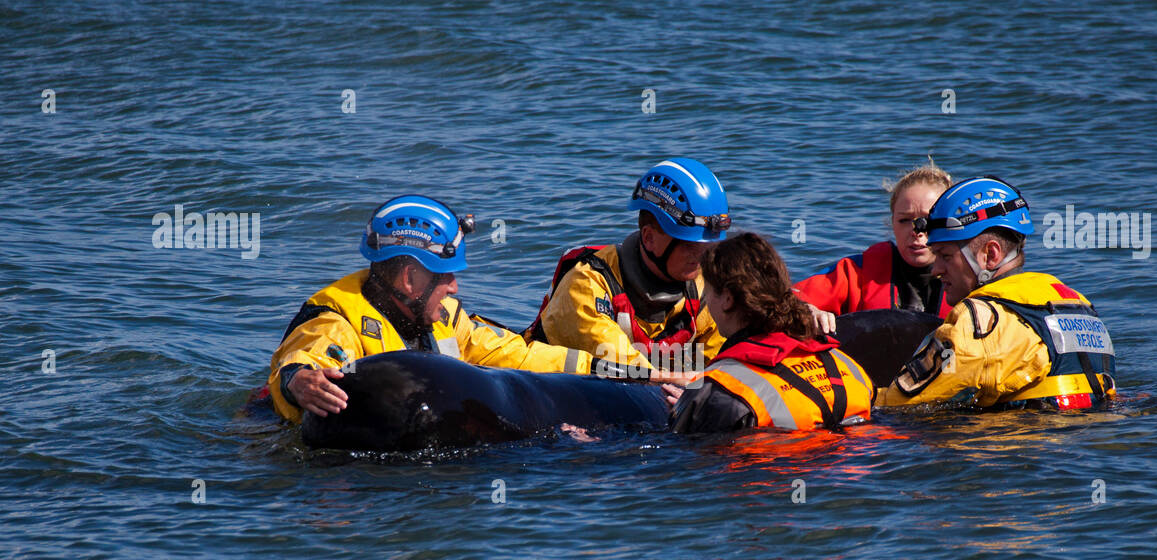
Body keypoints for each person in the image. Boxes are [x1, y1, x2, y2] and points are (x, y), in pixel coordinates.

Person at [268, 194, 595, 423]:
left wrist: (606, 369)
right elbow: (305, 359)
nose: (454, 287)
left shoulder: (447, 320)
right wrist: (297, 382)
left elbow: (519, 355)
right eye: (446, 276)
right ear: (410, 279)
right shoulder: (338, 324)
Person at [876, 177, 1117, 411]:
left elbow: (899, 404)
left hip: (1015, 446)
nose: (937, 270)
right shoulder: (1077, 304)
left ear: (990, 255)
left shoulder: (979, 319)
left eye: (945, 256)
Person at [525, 158, 730, 376]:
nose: (701, 256)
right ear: (649, 238)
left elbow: (723, 363)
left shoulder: (705, 292)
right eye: (689, 244)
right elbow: (622, 367)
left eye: (707, 245)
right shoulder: (588, 283)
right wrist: (682, 382)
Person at [669, 232, 875, 433]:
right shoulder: (849, 366)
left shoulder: (716, 392)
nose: (707, 299)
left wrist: (687, 408)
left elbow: (690, 453)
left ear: (728, 299)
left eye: (709, 290)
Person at [794, 161, 954, 333]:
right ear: (892, 222)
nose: (916, 231)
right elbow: (788, 300)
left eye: (926, 221)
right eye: (904, 220)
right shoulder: (855, 273)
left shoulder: (970, 277)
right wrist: (808, 310)